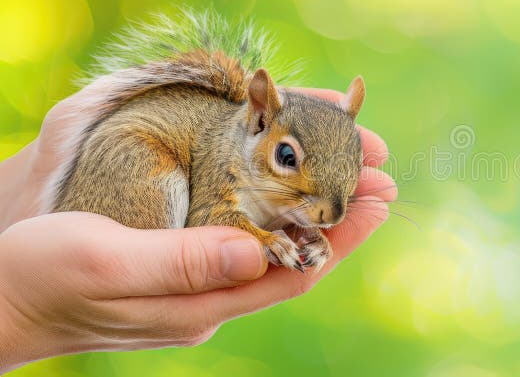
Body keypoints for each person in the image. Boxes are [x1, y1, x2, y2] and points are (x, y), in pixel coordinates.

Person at [0, 86, 395, 373]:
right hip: (144, 155)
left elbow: (285, 214)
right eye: (287, 158)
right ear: (259, 121)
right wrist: (14, 310)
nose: (328, 211)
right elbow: (212, 218)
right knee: (163, 181)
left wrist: (309, 240)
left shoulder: (278, 186)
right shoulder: (229, 165)